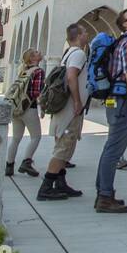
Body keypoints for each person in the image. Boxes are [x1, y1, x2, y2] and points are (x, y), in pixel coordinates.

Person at [94, 9, 127, 213]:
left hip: (115, 101)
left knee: (110, 148)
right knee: (114, 150)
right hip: (123, 101)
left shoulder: (123, 41)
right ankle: (105, 196)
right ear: (125, 24)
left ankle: (104, 193)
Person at [38, 24, 89, 202]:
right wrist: (77, 101)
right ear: (79, 36)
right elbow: (71, 76)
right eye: (84, 32)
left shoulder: (68, 53)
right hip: (70, 109)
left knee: (64, 145)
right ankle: (46, 186)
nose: (87, 34)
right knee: (64, 147)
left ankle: (60, 182)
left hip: (64, 108)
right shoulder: (78, 54)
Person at [5, 49, 44, 177]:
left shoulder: (23, 71)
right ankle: (27, 162)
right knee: (36, 136)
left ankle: (9, 165)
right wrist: (43, 104)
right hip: (29, 108)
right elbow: (36, 92)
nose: (40, 53)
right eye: (37, 52)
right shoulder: (38, 71)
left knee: (16, 138)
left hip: (17, 108)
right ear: (33, 58)